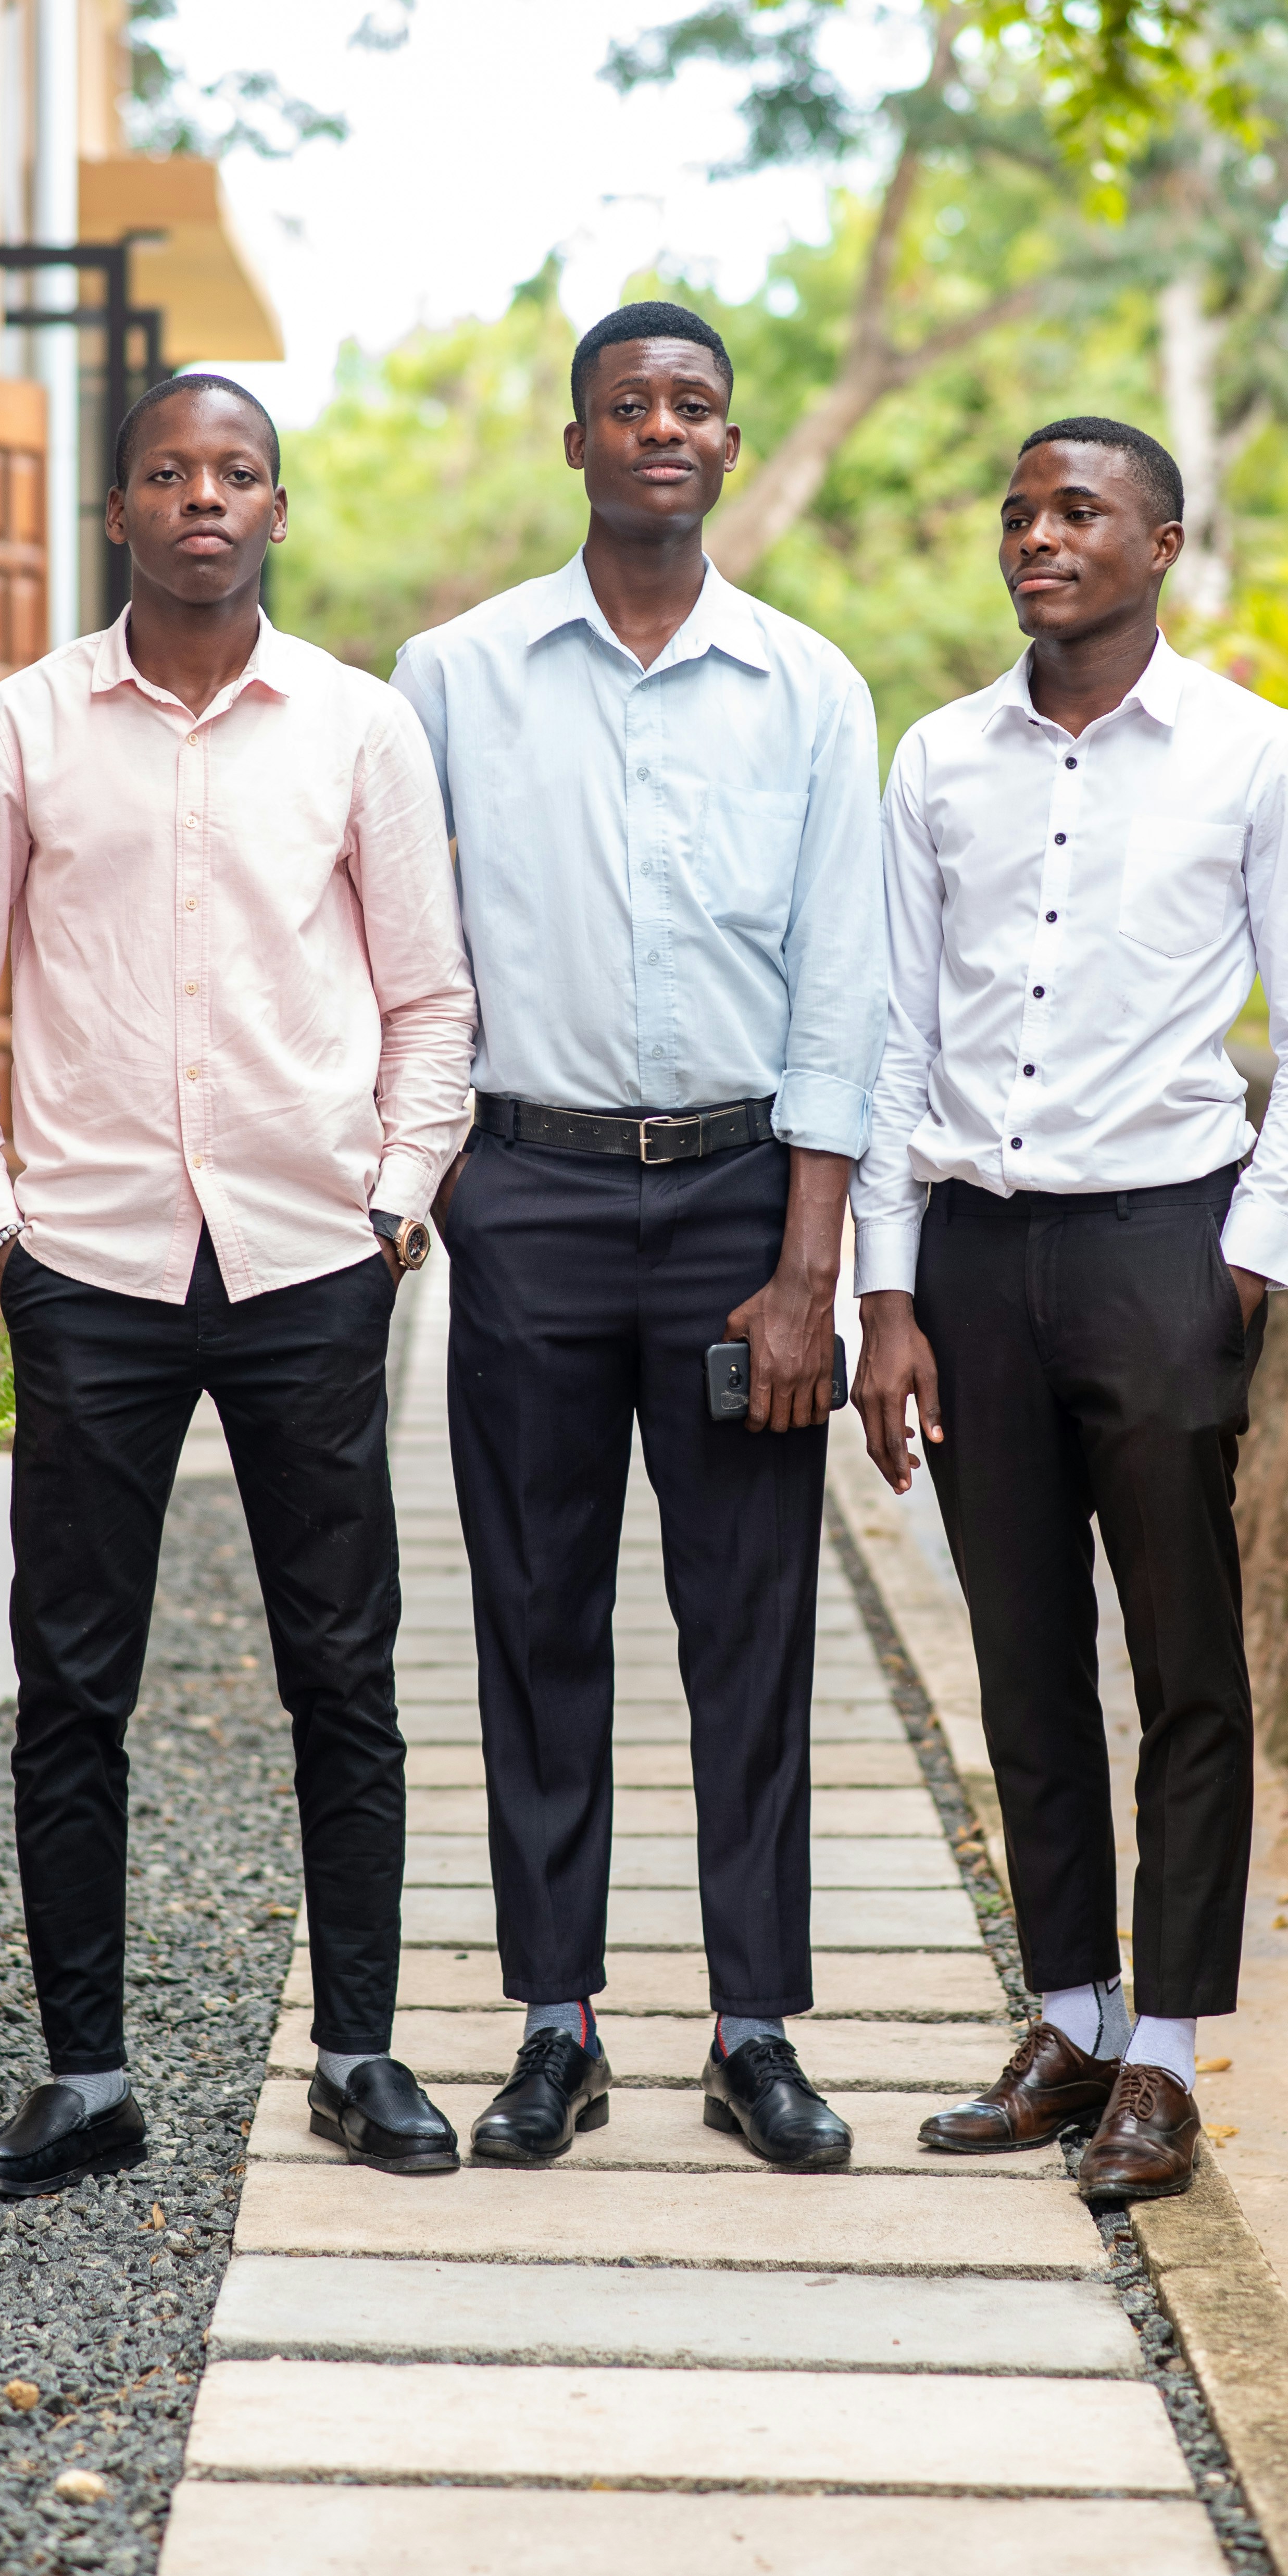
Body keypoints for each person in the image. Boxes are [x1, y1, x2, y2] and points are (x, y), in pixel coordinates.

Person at [0, 370, 479, 2202]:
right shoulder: (23, 728)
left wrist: (394, 1209)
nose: (203, 498)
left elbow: (428, 1002)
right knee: (73, 1681)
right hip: (93, 1267)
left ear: (279, 513)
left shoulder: (362, 730)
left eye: (236, 473)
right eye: (169, 471)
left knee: (346, 1671)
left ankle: (362, 2055)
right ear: (121, 509)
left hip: (313, 1260)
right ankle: (86, 2079)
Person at [850, 416, 1288, 2205]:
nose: (1038, 538)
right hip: (979, 1264)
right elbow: (897, 1041)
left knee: (1185, 1668)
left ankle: (1167, 2057)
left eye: (1079, 512)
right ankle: (1069, 2018)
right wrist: (890, 1292)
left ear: (1162, 543)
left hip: (1166, 1249)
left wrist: (1252, 1253)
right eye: (1018, 512)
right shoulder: (937, 760)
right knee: (1021, 1660)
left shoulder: (1258, 758)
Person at [393, 300, 886, 2172]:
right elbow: (386, 940)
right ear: (577, 441)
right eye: (627, 405)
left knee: (748, 1628)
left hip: (744, 1207)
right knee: (535, 1620)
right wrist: (450, 1179)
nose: (660, 428)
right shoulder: (452, 680)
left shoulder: (812, 691)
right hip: (530, 1195)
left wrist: (807, 1267)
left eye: (693, 405)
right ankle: (555, 2022)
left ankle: (754, 2028)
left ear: (730, 450)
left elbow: (849, 992)